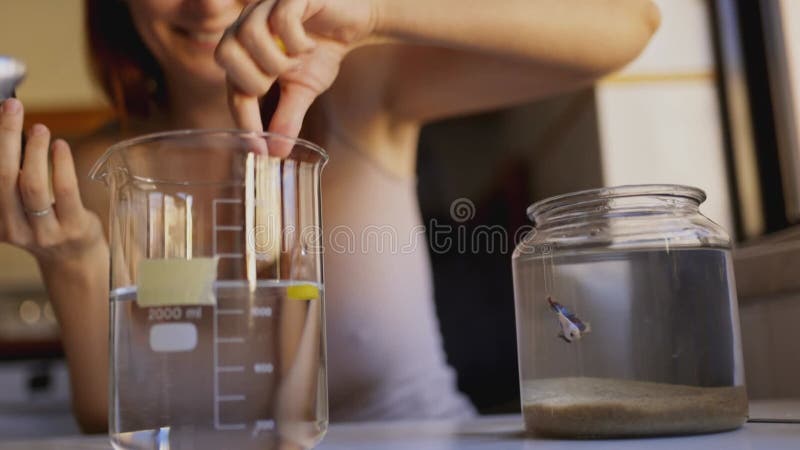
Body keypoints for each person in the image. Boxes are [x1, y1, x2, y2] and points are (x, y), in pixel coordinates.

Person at [0, 0, 660, 432]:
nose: (206, 4)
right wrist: (75, 263)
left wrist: (376, 13)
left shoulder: (368, 92)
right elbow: (112, 419)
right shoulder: (86, 171)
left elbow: (631, 25)